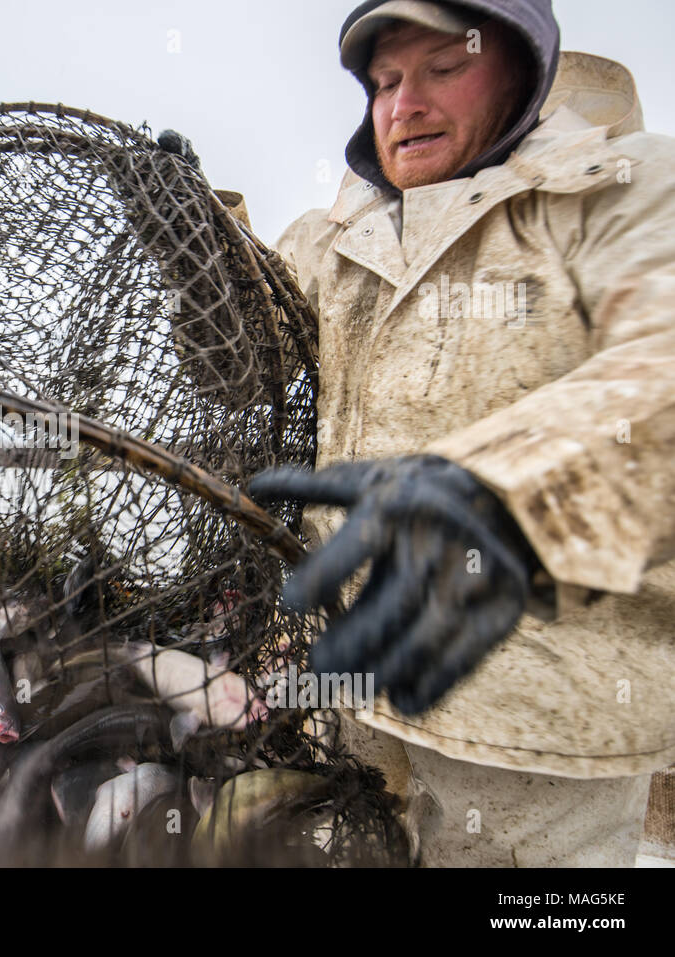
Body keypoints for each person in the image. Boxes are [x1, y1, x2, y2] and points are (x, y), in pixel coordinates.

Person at [171, 0, 673, 866]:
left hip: (536, 724)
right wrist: (190, 244)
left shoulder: (622, 186)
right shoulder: (337, 238)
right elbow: (233, 371)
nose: (406, 105)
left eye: (444, 69)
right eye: (386, 82)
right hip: (355, 684)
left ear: (524, 70)